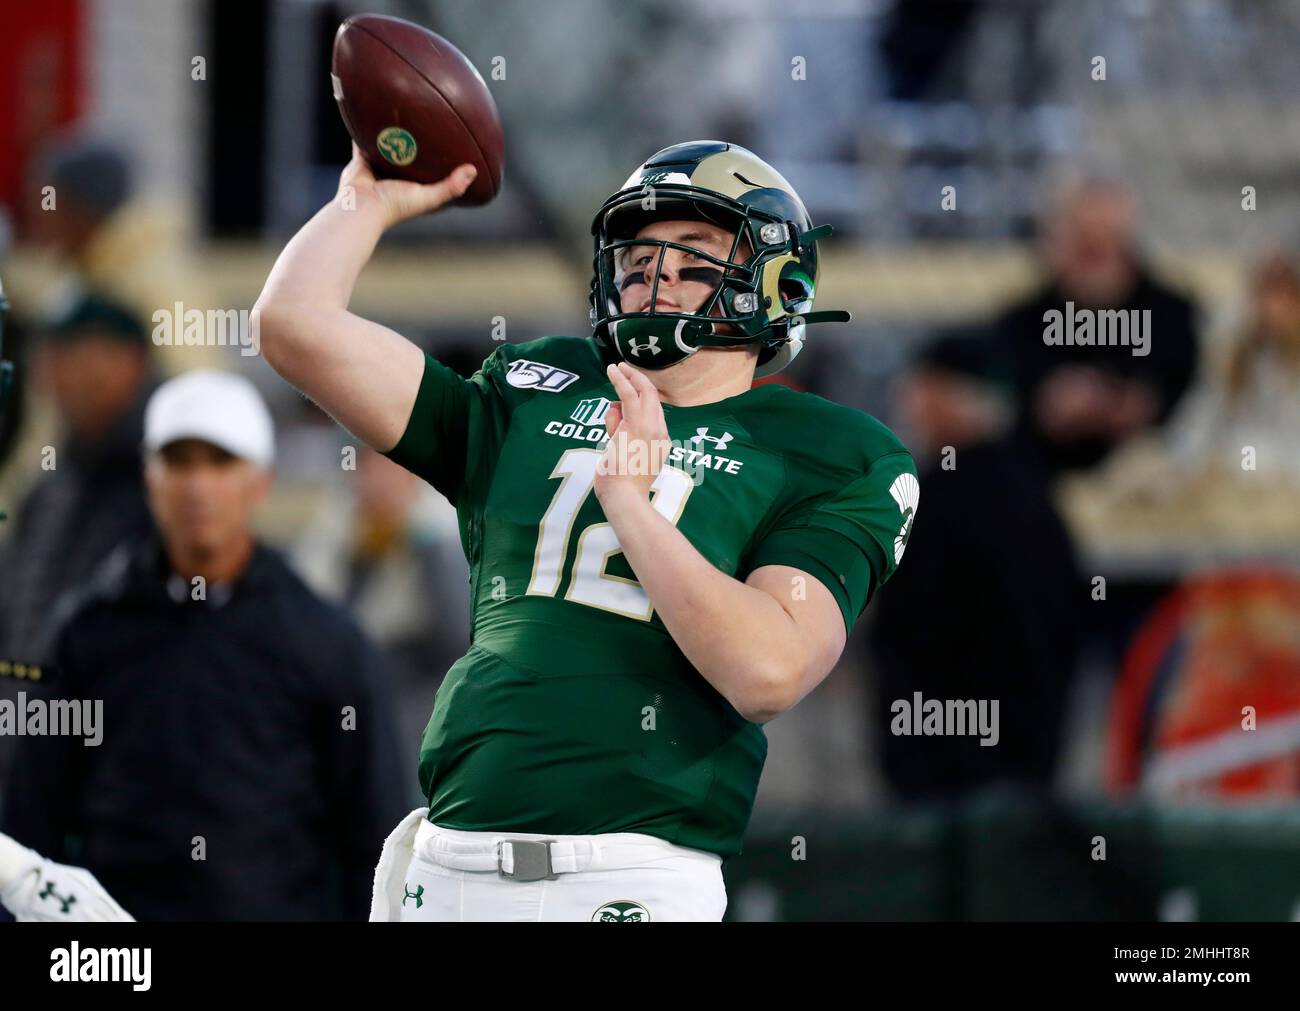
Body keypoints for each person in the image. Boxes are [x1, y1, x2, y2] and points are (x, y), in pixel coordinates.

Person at [254, 139, 918, 922]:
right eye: (639, 254)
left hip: (624, 875)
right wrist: (362, 206)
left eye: (694, 253)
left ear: (777, 281)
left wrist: (631, 505)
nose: (655, 271)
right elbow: (294, 327)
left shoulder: (830, 450)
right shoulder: (537, 384)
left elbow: (767, 669)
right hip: (446, 857)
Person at [2, 370, 407, 920]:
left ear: (259, 481)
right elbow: (30, 818)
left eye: (220, 463)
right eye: (179, 462)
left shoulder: (323, 640)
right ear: (150, 477)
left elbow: (376, 837)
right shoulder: (87, 631)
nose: (198, 486)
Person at [992, 177, 1199, 474]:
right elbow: (1008, 400)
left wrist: (1125, 405)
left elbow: (1185, 404)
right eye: (1086, 244)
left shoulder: (1173, 315)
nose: (1097, 260)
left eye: (1108, 244)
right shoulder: (1021, 320)